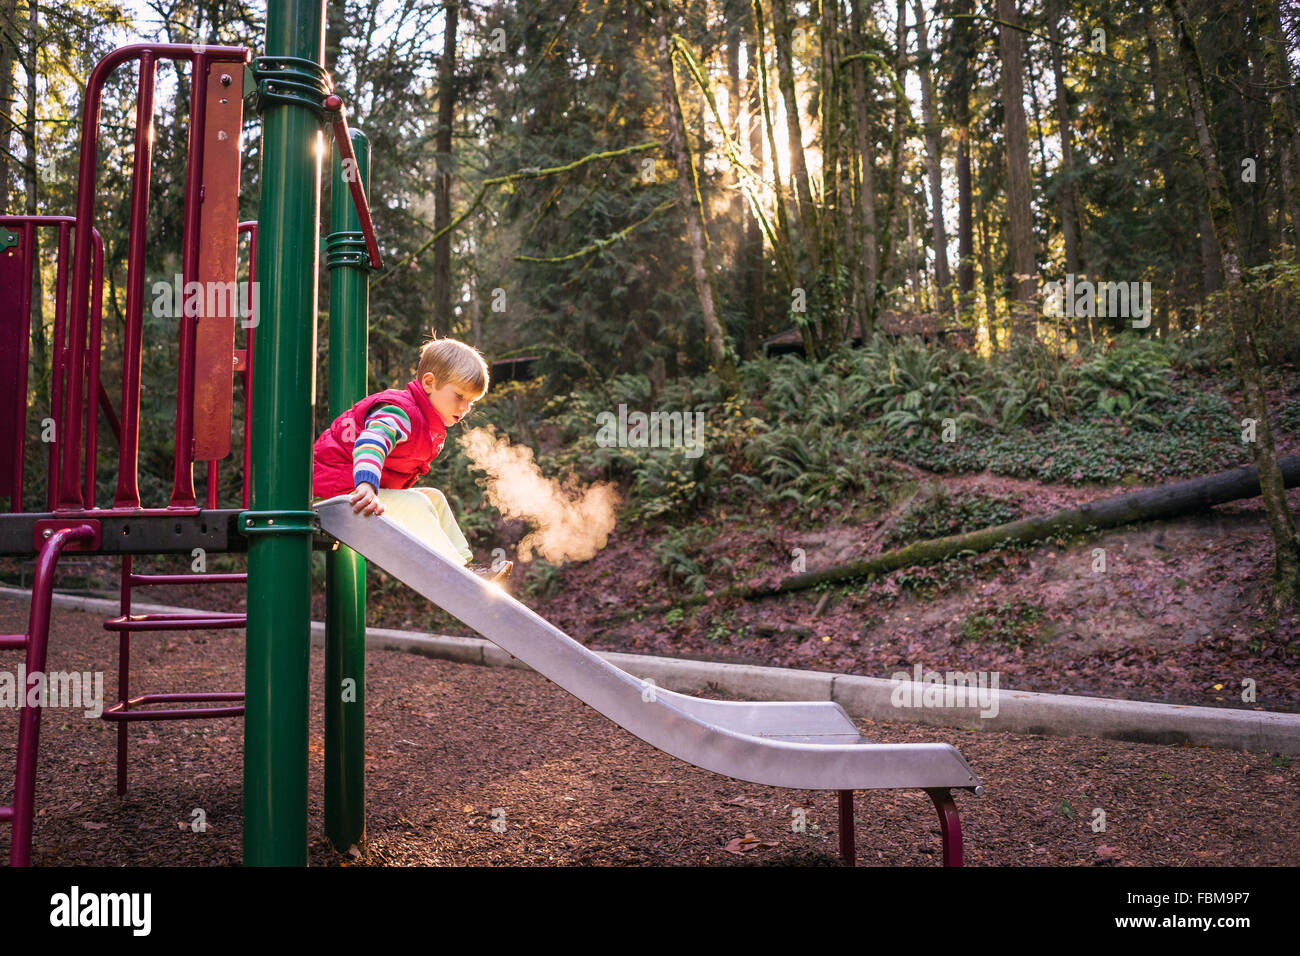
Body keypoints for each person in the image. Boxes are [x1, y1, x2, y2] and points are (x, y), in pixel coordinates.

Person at [312, 335, 512, 584]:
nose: (465, 408)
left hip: (351, 490)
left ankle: (465, 566)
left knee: (434, 498)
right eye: (459, 396)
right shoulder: (400, 412)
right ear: (429, 382)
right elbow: (371, 442)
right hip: (334, 496)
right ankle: (454, 573)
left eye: (471, 402)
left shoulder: (426, 421)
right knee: (417, 503)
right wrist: (366, 484)